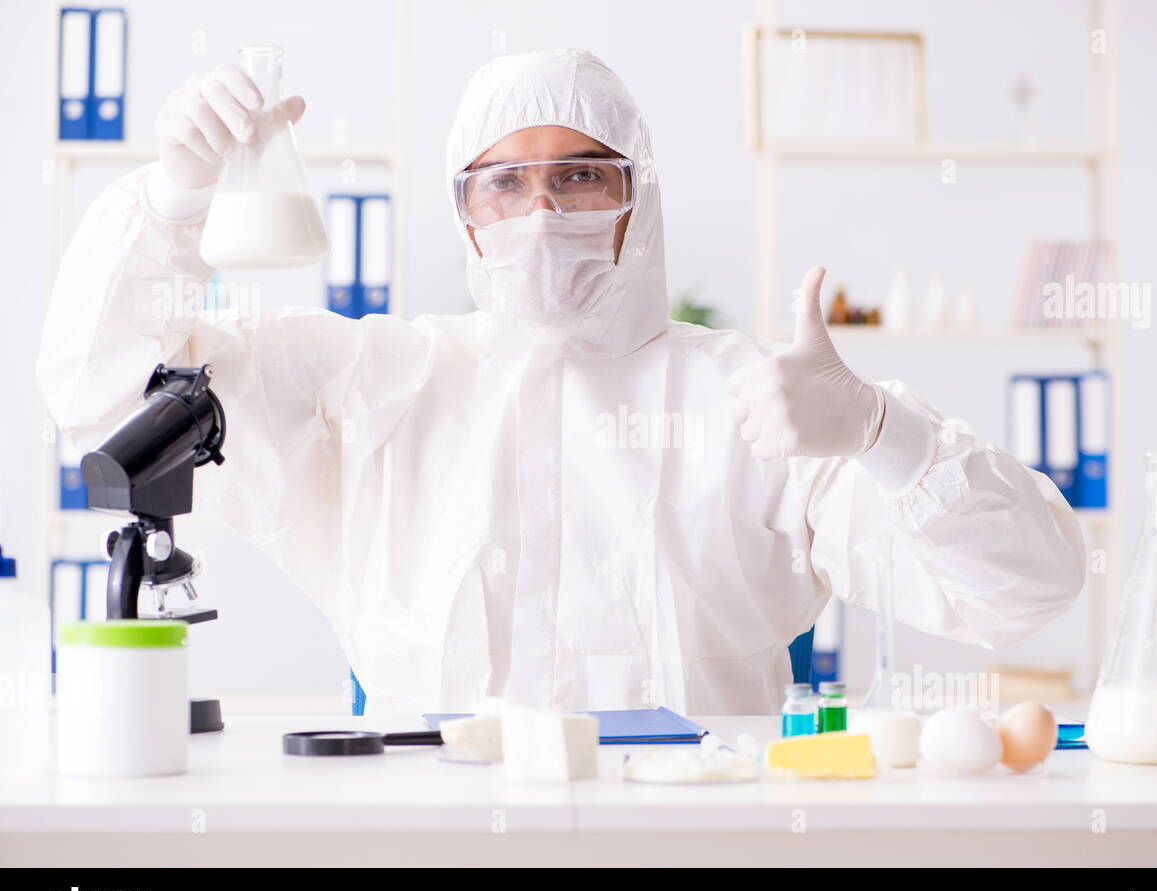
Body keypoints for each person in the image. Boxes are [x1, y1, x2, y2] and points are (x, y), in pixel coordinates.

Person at [36, 49, 1085, 714]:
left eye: (581, 175)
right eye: (504, 182)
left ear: (638, 197)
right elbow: (104, 400)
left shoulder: (753, 403)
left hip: (701, 844)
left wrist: (881, 432)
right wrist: (174, 198)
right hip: (431, 840)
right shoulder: (371, 382)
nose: (541, 212)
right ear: (465, 212)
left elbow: (1024, 590)